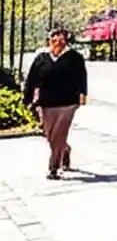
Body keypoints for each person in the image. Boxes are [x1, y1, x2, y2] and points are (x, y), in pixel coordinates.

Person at [22, 29, 87, 180]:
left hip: (68, 102)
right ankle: (65, 149)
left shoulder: (74, 58)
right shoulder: (41, 58)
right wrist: (27, 98)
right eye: (54, 39)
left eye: (61, 40)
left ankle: (54, 167)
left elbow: (82, 76)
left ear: (66, 41)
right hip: (47, 102)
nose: (57, 42)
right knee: (50, 135)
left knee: (60, 133)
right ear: (49, 41)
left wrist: (83, 94)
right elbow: (32, 79)